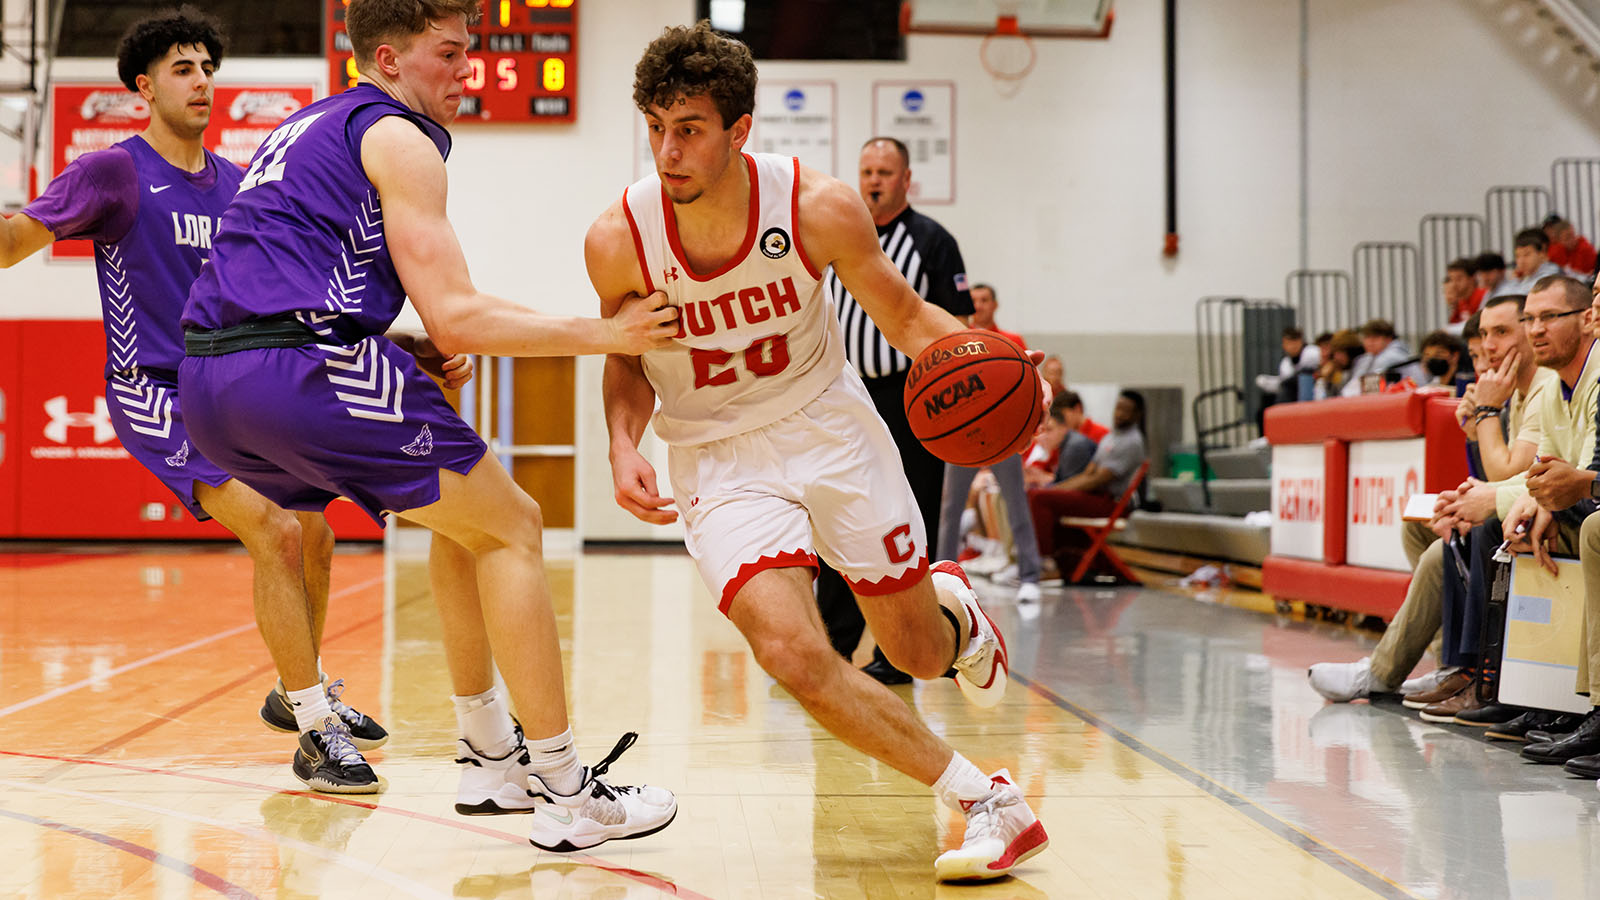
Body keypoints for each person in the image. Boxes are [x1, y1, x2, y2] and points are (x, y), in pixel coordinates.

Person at [177, 0, 679, 850]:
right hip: (299, 367)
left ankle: (488, 758)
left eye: (470, 52)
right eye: (449, 53)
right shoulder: (401, 137)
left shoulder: (301, 128)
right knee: (516, 525)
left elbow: (289, 275)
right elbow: (461, 321)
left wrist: (391, 339)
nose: (466, 71)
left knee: (465, 518)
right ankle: (565, 788)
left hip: (209, 381)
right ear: (390, 58)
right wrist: (609, 334)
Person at [589, 22, 1048, 881]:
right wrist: (622, 442)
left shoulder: (814, 206)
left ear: (740, 130)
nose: (667, 149)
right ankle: (988, 800)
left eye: (688, 128)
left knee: (915, 653)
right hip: (717, 457)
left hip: (828, 429)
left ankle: (951, 613)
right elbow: (627, 356)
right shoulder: (620, 237)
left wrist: (1009, 366)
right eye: (655, 125)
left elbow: (911, 321)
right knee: (794, 652)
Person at [0, 8, 392, 792]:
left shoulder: (238, 184)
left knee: (314, 531)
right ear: (143, 87)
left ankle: (295, 694)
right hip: (155, 390)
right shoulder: (112, 171)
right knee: (276, 529)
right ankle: (315, 727)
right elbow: (18, 243)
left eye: (208, 67)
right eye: (183, 68)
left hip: (236, 384)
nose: (202, 81)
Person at [1307, 294, 1552, 704]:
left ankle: (1385, 672)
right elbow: (1488, 478)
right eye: (1482, 339)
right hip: (1513, 502)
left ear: (1529, 333)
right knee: (1423, 527)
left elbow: (1505, 475)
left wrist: (1486, 416)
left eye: (1501, 333)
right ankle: (1449, 664)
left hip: (1531, 512)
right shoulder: (1516, 390)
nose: (1489, 349)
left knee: (1446, 551)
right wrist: (1478, 433)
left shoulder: (1540, 388)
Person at [814, 135, 975, 684]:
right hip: (843, 397)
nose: (874, 180)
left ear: (907, 180)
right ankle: (831, 647)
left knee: (908, 521)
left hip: (912, 398)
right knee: (834, 516)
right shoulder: (836, 231)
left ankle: (899, 653)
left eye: (885, 171)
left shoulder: (934, 241)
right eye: (866, 170)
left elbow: (957, 325)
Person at [937, 281, 1043, 605]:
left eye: (985, 299)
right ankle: (944, 578)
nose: (979, 304)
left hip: (1003, 436)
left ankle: (1029, 577)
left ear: (995, 305)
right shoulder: (954, 340)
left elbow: (1024, 390)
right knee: (950, 508)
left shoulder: (1012, 342)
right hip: (963, 437)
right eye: (974, 300)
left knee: (1015, 502)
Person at [1026, 390, 1148, 580]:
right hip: (1098, 497)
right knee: (1038, 495)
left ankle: (1045, 563)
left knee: (1040, 498)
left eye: (1126, 411)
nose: (1119, 414)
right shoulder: (1112, 436)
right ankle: (1061, 563)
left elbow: (1097, 479)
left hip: (1114, 503)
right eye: (1118, 408)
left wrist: (1054, 490)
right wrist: (1053, 490)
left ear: (1137, 415)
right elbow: (1087, 474)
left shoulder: (1132, 441)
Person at [1255, 325, 1320, 404]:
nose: (1291, 346)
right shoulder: (1285, 364)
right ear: (1284, 345)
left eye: (1294, 342)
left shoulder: (1312, 353)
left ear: (1301, 342)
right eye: (1288, 343)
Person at [1498, 228, 1562, 297]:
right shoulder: (1527, 277)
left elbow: (1516, 298)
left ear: (1542, 253)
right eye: (1517, 256)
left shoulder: (1550, 276)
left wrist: (1514, 281)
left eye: (1527, 254)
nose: (1521, 261)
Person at [1542, 213, 1597, 280]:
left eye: (1573, 235)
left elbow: (1589, 274)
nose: (1572, 240)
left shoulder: (1584, 248)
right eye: (1567, 238)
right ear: (1558, 241)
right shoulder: (1558, 250)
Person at [1442, 257, 1480, 325]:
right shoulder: (1461, 302)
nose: (1454, 284)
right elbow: (1453, 325)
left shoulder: (1482, 297)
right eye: (1451, 279)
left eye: (1458, 279)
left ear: (1472, 278)